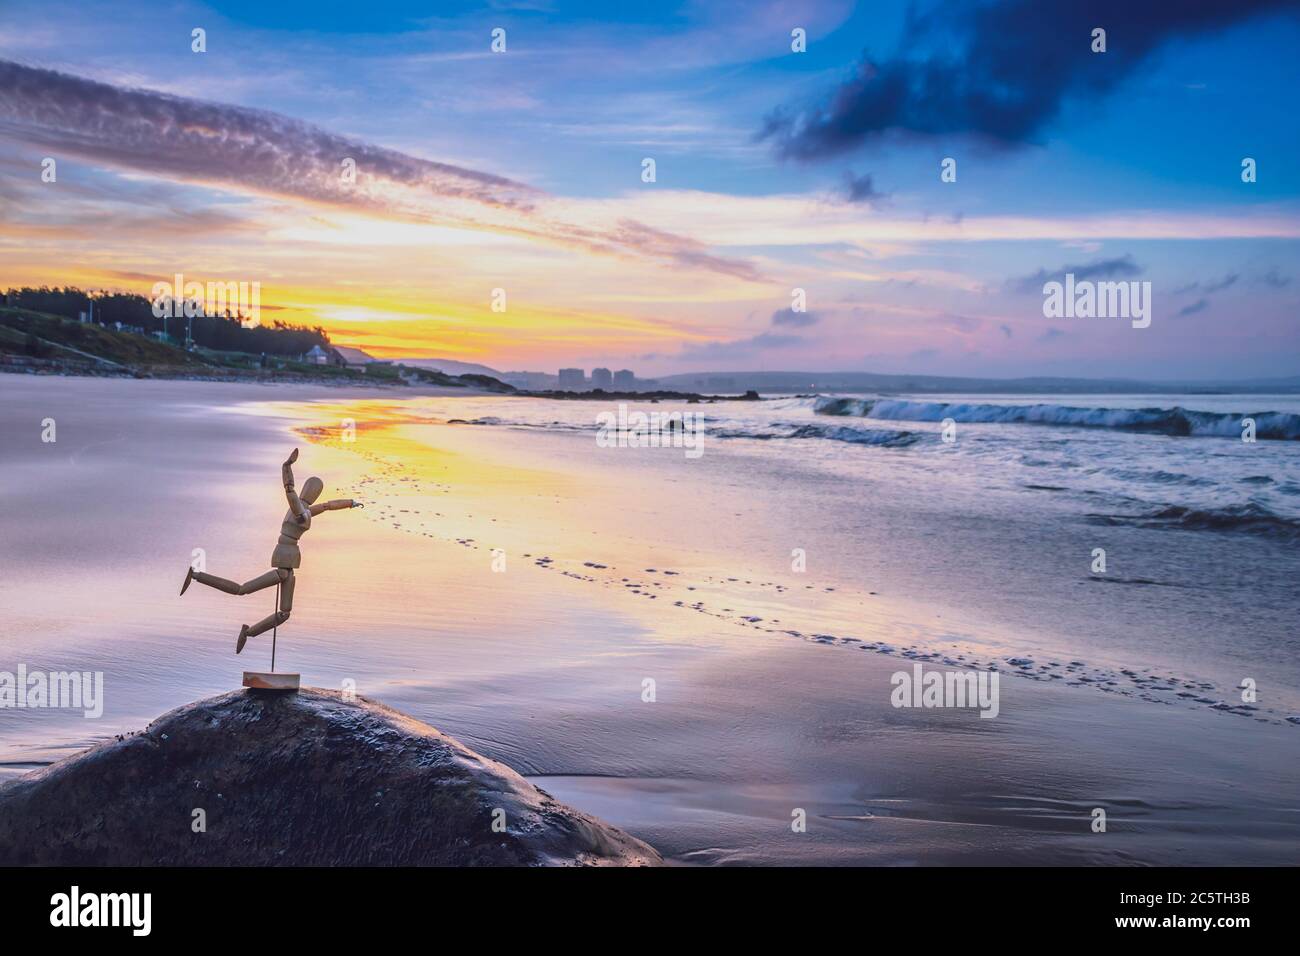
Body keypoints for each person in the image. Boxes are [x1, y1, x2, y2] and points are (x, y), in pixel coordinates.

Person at [181, 448, 362, 653]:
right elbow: (289, 490)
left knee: (284, 613)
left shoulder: (305, 511)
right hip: (284, 557)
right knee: (242, 589)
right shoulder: (299, 511)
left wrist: (350, 503)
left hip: (290, 561)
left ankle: (248, 633)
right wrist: (287, 467)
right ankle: (196, 575)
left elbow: (328, 506)